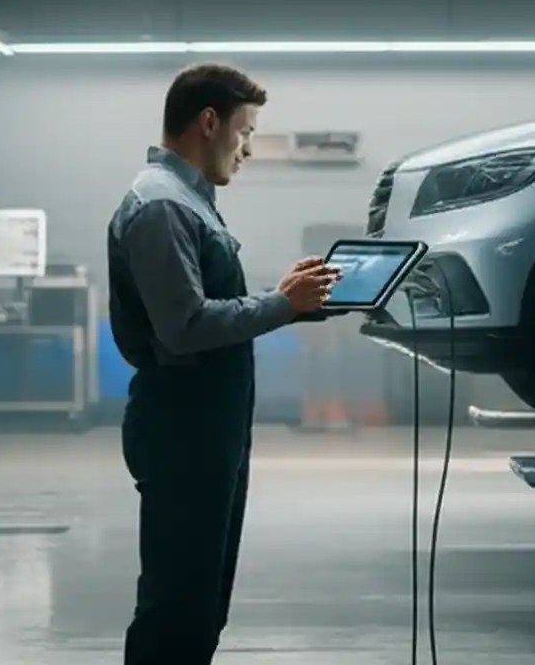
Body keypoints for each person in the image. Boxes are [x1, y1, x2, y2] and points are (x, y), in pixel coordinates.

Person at [107, 63, 340, 664]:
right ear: (209, 123)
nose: (248, 149)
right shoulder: (162, 206)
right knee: (176, 607)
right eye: (246, 132)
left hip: (208, 425)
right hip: (182, 425)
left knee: (201, 606)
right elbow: (185, 327)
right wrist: (280, 305)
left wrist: (287, 300)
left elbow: (206, 306)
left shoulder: (188, 201)